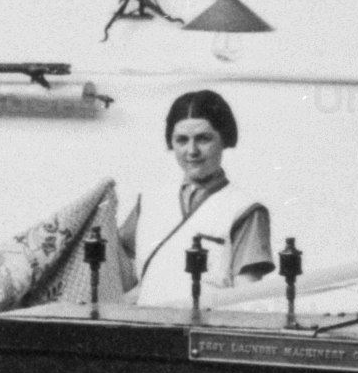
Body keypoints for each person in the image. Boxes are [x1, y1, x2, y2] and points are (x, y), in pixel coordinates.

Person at [110, 89, 272, 303]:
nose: (191, 150)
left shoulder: (244, 210)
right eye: (182, 140)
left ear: (224, 139)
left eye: (203, 139)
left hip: (205, 330)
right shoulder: (150, 201)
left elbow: (247, 295)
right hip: (147, 326)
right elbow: (130, 271)